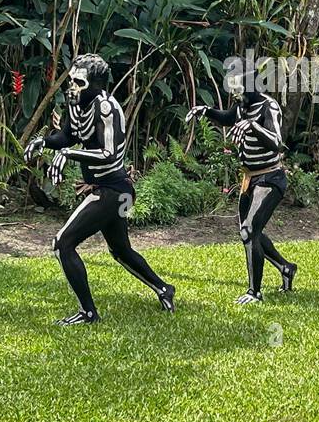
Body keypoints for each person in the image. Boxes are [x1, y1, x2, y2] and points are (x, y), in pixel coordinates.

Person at [25, 53, 176, 324]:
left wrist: (70, 154)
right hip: (103, 188)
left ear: (97, 85)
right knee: (120, 250)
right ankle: (164, 289)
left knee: (62, 243)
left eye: (79, 83)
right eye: (71, 81)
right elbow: (67, 136)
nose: (72, 87)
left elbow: (109, 154)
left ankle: (89, 313)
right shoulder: (76, 103)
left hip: (115, 190)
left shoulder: (106, 108)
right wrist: (45, 143)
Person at [185, 66, 297, 304]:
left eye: (238, 89)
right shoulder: (243, 105)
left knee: (248, 230)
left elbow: (277, 143)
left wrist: (254, 126)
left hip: (270, 177)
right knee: (249, 231)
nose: (235, 94)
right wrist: (205, 111)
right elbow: (228, 117)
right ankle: (285, 267)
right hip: (250, 178)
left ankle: (254, 292)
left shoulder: (268, 107)